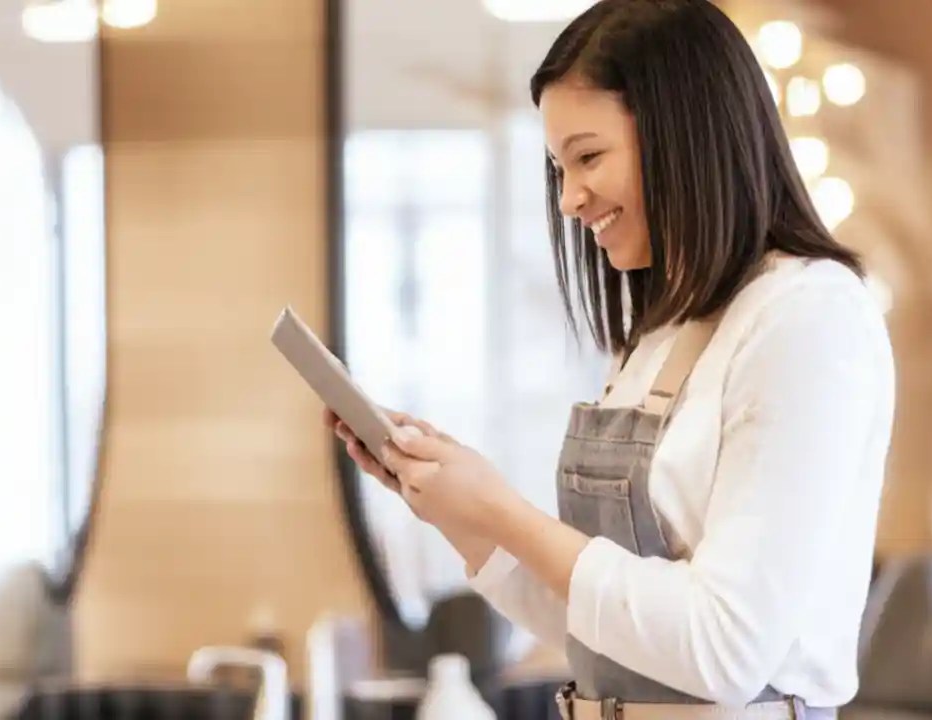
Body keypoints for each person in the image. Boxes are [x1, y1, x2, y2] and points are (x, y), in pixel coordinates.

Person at [325, 0, 895, 717]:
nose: (569, 199)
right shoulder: (654, 337)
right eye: (558, 168)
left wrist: (501, 510)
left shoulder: (807, 315)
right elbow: (604, 627)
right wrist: (457, 510)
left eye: (588, 157)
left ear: (684, 133)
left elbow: (724, 648)